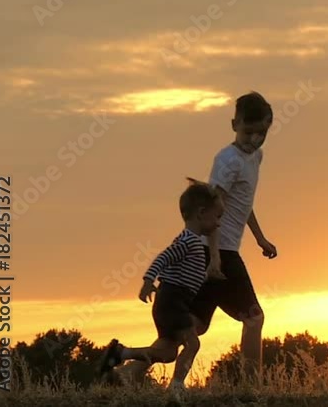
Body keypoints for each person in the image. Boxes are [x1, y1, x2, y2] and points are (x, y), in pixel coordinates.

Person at [100, 179, 224, 395]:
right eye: (217, 217)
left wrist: (204, 278)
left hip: (173, 302)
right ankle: (177, 386)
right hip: (173, 302)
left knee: (167, 354)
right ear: (201, 213)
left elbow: (185, 274)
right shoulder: (189, 241)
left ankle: (121, 353)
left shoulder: (191, 241)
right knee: (193, 344)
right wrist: (148, 281)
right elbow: (163, 258)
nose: (218, 224)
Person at [192, 91, 278, 381]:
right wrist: (214, 257)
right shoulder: (228, 161)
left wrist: (260, 238)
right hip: (218, 251)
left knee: (193, 326)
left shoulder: (255, 157)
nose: (254, 139)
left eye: (261, 133)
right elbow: (212, 212)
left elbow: (243, 202)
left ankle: (130, 370)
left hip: (217, 251)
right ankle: (251, 388)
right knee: (254, 318)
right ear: (234, 124)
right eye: (248, 132)